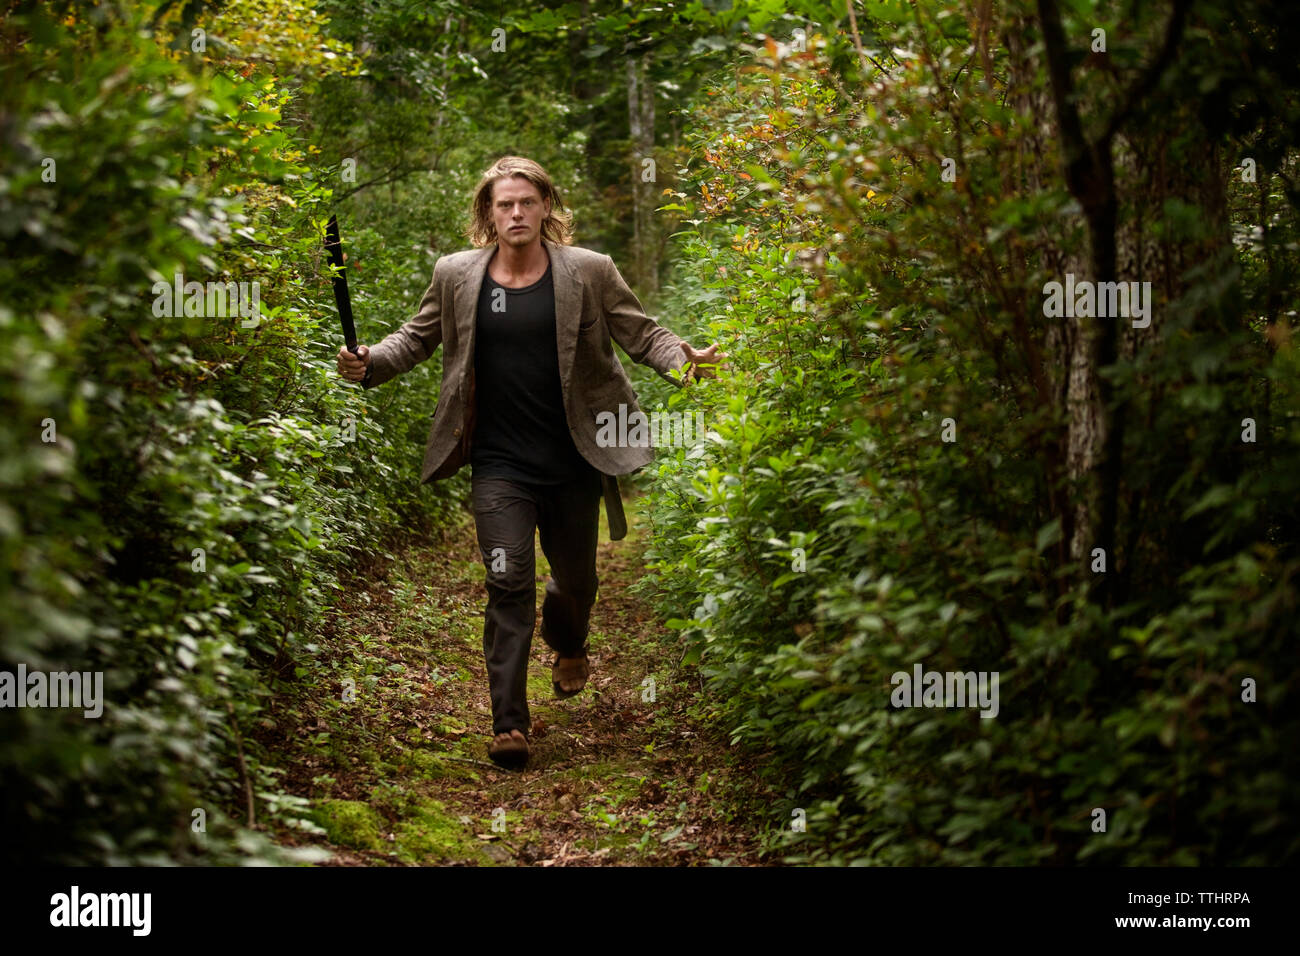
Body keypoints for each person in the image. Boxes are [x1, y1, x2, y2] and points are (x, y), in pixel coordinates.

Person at [336, 156, 724, 769]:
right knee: (506, 580)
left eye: (526, 202)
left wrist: (683, 360)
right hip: (498, 465)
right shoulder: (456, 274)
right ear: (487, 214)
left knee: (576, 585)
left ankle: (569, 642)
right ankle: (509, 724)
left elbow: (639, 331)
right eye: (503, 204)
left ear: (546, 207)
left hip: (575, 461)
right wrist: (369, 362)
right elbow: (414, 338)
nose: (515, 213)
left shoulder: (588, 271)